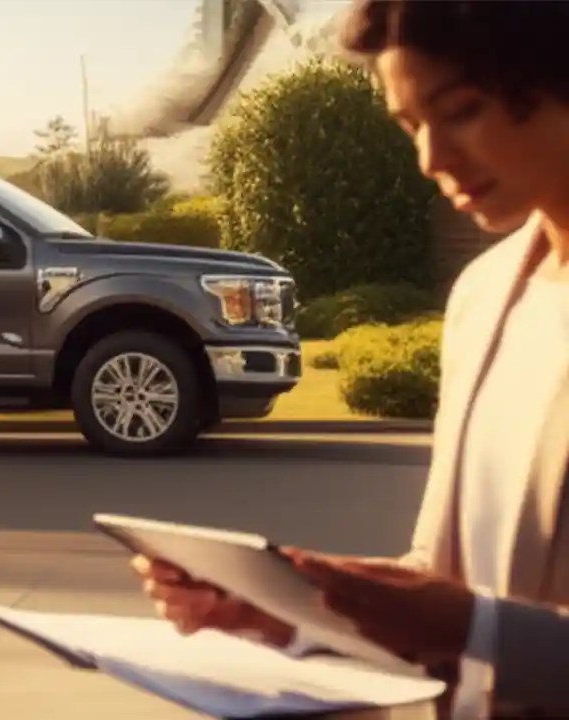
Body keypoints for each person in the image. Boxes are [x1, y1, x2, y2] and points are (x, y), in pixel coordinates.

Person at [132, 1, 569, 718]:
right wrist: (290, 610)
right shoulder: (483, 297)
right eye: (410, 126)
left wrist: (472, 627)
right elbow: (442, 580)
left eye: (458, 110)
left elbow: (462, 617)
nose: (431, 159)